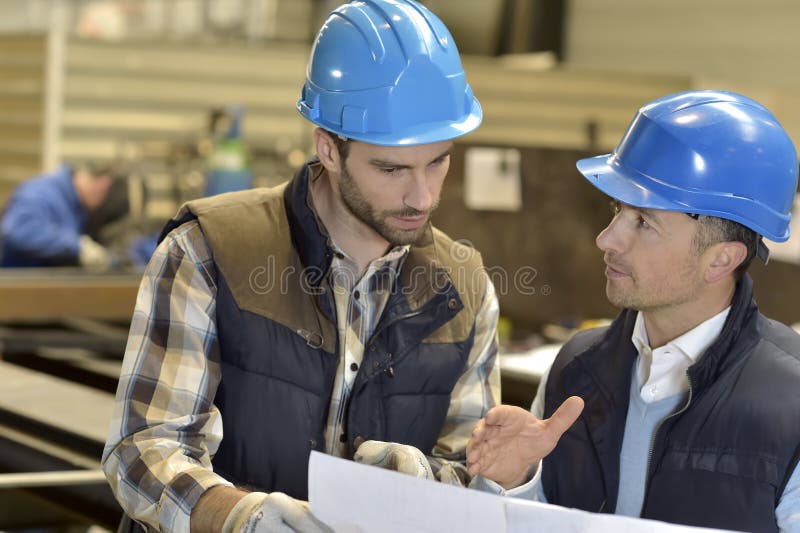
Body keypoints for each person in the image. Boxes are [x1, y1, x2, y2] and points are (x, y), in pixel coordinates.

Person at [102, 1, 499, 532]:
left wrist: (424, 480)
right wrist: (239, 517)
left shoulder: (465, 288)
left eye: (439, 161)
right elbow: (143, 450)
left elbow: (471, 473)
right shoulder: (208, 252)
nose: (422, 196)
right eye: (391, 168)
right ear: (328, 149)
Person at [466, 90, 800, 532]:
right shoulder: (575, 369)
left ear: (722, 259)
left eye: (644, 222)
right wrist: (511, 482)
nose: (607, 239)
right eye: (617, 210)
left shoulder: (791, 403)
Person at [1, 163, 116, 269]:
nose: (101, 188)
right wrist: (78, 247)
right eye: (95, 177)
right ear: (78, 173)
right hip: (17, 284)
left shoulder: (76, 205)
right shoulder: (40, 194)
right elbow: (20, 230)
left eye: (105, 189)